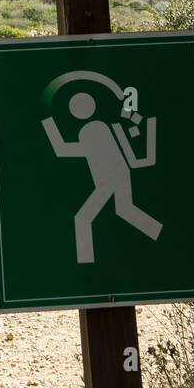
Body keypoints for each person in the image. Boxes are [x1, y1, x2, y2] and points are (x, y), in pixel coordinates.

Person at [41, 91, 160, 264]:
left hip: (110, 179)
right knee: (126, 210)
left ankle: (85, 264)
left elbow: (67, 150)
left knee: (82, 219)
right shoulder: (103, 127)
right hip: (118, 175)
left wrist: (48, 123)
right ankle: (160, 233)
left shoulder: (92, 129)